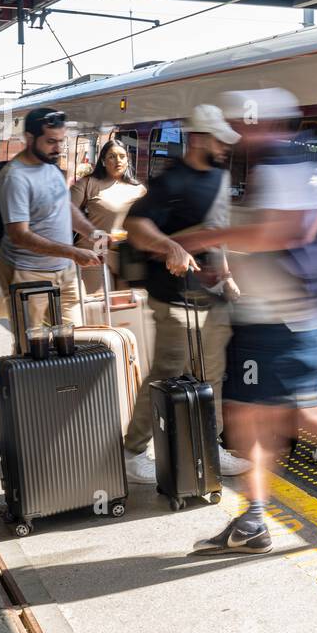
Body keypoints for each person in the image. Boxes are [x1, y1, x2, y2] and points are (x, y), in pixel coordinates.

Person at [169, 90, 317, 555]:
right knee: (264, 418)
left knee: (267, 417)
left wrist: (208, 236)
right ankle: (254, 521)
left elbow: (286, 231)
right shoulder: (301, 165)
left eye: (244, 121)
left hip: (285, 319)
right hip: (302, 313)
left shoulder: (280, 163)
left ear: (264, 123)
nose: (238, 131)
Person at [121, 106, 250, 482]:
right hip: (173, 296)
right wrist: (170, 248)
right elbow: (135, 226)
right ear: (197, 139)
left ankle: (211, 446)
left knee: (213, 375)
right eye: (218, 139)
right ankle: (132, 452)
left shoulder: (220, 178)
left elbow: (216, 231)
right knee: (167, 371)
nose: (225, 146)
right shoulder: (171, 182)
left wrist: (226, 274)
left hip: (211, 293)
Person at [0, 107, 107, 334]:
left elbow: (64, 206)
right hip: (28, 274)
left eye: (61, 141)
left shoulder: (50, 166)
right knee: (32, 348)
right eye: (50, 141)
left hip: (64, 273)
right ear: (29, 138)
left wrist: (91, 232)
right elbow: (20, 235)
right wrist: (74, 253)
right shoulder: (15, 177)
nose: (58, 148)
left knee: (77, 340)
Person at [70, 137, 146, 295]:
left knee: (128, 309)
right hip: (95, 251)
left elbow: (148, 222)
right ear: (103, 161)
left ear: (127, 160)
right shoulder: (88, 184)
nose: (118, 161)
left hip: (128, 253)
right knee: (99, 306)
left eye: (122, 156)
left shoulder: (139, 190)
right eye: (112, 156)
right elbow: (64, 212)